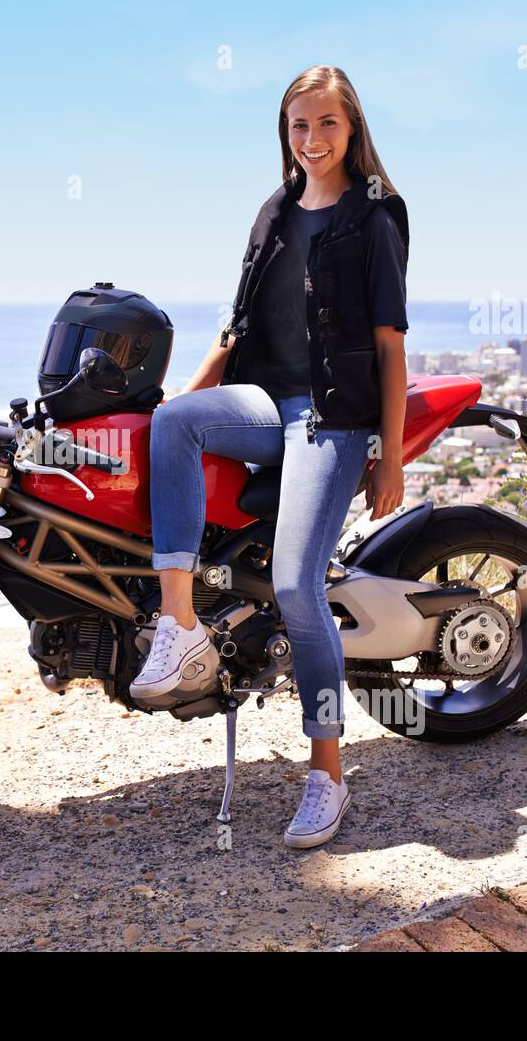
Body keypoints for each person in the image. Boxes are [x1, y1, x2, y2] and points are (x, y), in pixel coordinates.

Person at [131, 65, 410, 848]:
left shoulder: (375, 217)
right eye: (298, 126)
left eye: (326, 124)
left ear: (351, 128)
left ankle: (327, 774)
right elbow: (236, 328)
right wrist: (180, 399)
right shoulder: (275, 211)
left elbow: (390, 347)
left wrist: (386, 456)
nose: (312, 140)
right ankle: (180, 624)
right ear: (283, 134)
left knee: (296, 586)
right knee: (174, 425)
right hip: (266, 402)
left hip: (334, 416)